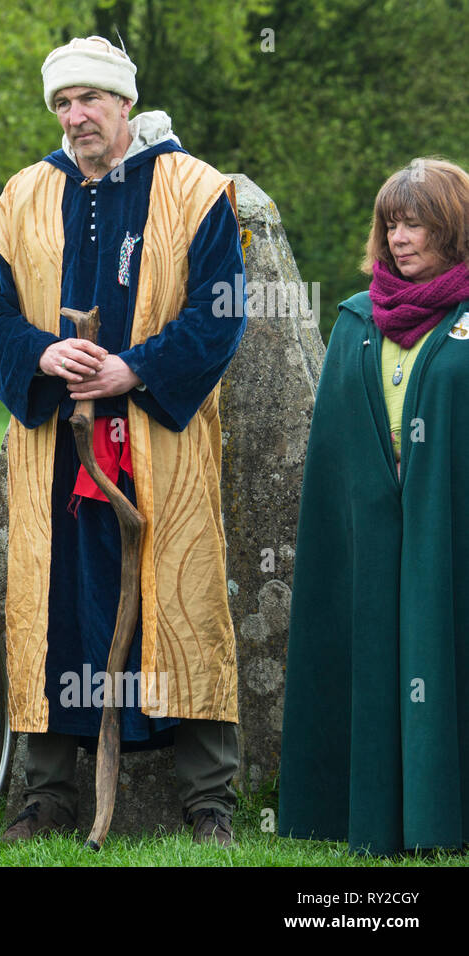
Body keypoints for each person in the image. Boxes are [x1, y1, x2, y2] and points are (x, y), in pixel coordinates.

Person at [0, 36, 246, 845]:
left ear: (124, 102)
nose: (76, 115)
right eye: (62, 103)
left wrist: (134, 370)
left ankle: (209, 800)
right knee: (53, 607)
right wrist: (41, 353)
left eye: (90, 98)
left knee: (179, 598)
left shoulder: (194, 189)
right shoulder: (23, 197)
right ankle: (48, 794)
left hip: (161, 437)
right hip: (56, 442)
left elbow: (222, 310)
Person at [280, 158, 469, 855]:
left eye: (415, 222)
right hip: (369, 523)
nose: (399, 237)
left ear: (453, 229)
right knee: (369, 654)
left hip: (449, 523)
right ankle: (364, 813)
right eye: (391, 223)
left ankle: (442, 814)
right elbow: (336, 443)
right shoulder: (359, 321)